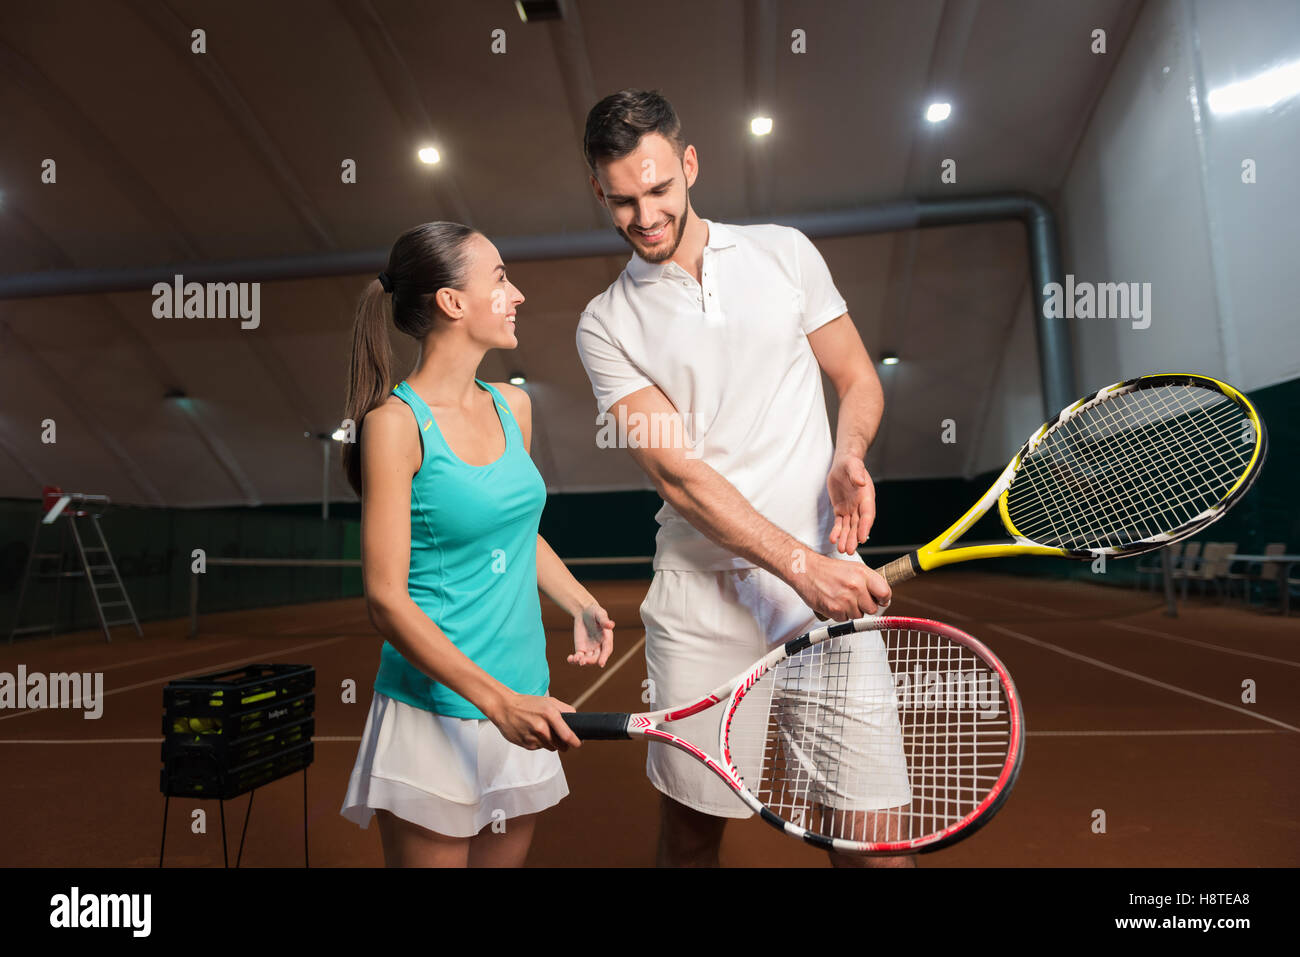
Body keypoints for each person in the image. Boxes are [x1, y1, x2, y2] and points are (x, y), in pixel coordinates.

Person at [575, 90, 909, 867]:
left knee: (878, 846)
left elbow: (858, 378)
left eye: (659, 189)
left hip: (829, 581)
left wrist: (847, 451)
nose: (646, 215)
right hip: (705, 599)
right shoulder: (604, 324)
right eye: (623, 200)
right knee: (693, 836)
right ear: (600, 192)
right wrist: (800, 566)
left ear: (689, 165)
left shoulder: (785, 251)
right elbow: (681, 478)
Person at [339, 221, 615, 867]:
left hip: (525, 695)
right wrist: (496, 701)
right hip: (439, 707)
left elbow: (517, 532)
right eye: (499, 278)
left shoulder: (511, 405)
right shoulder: (394, 426)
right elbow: (385, 599)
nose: (516, 294)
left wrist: (579, 603)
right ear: (452, 302)